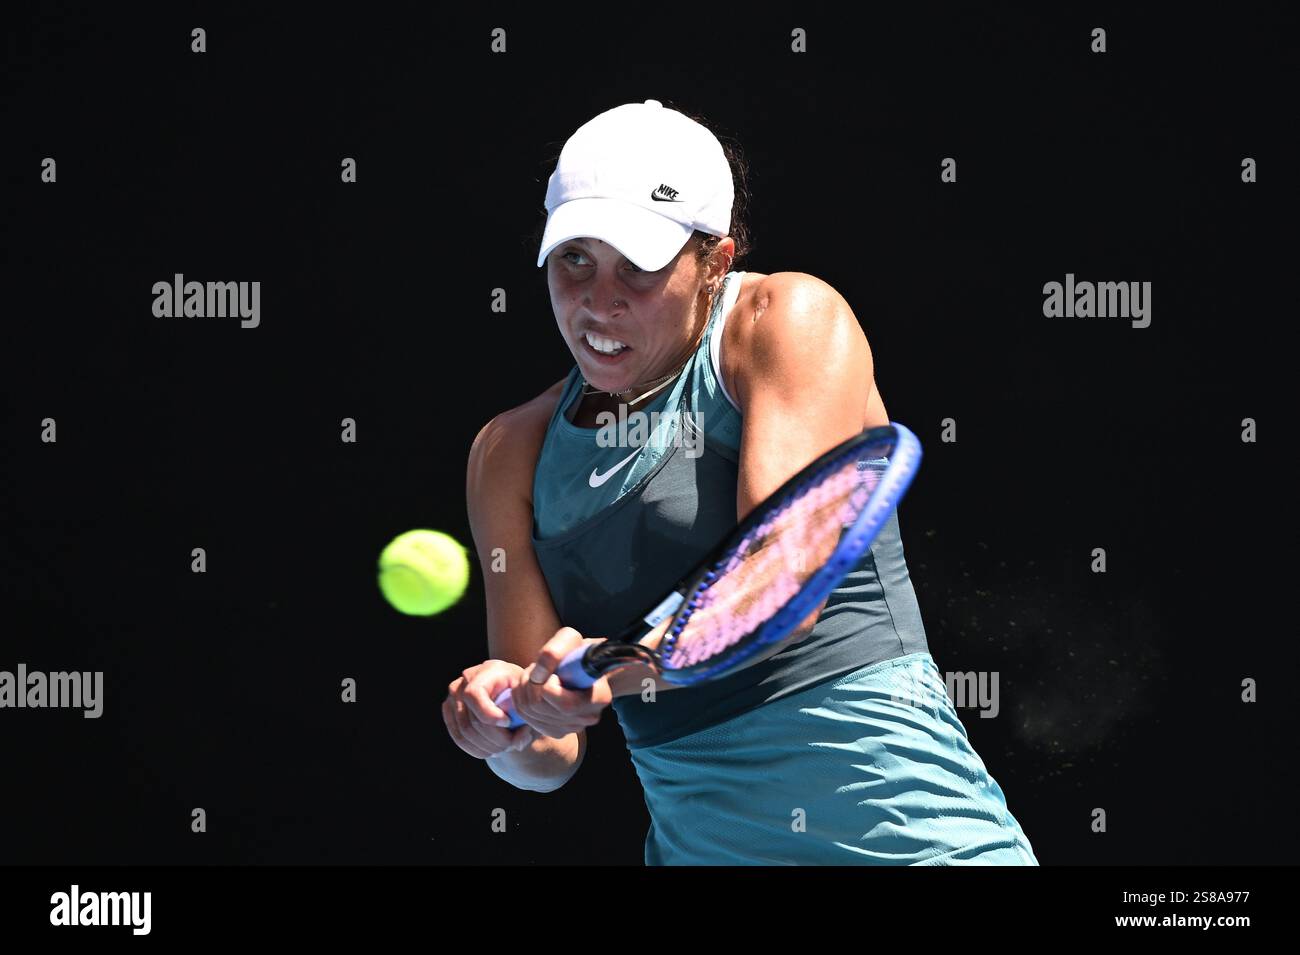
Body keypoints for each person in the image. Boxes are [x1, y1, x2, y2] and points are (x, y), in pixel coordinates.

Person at [444, 99, 1038, 865]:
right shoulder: (507, 452)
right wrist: (505, 719)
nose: (598, 299)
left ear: (715, 263)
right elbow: (548, 756)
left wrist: (605, 668)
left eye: (640, 267)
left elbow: (774, 594)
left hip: (907, 836)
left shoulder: (787, 322)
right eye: (575, 259)